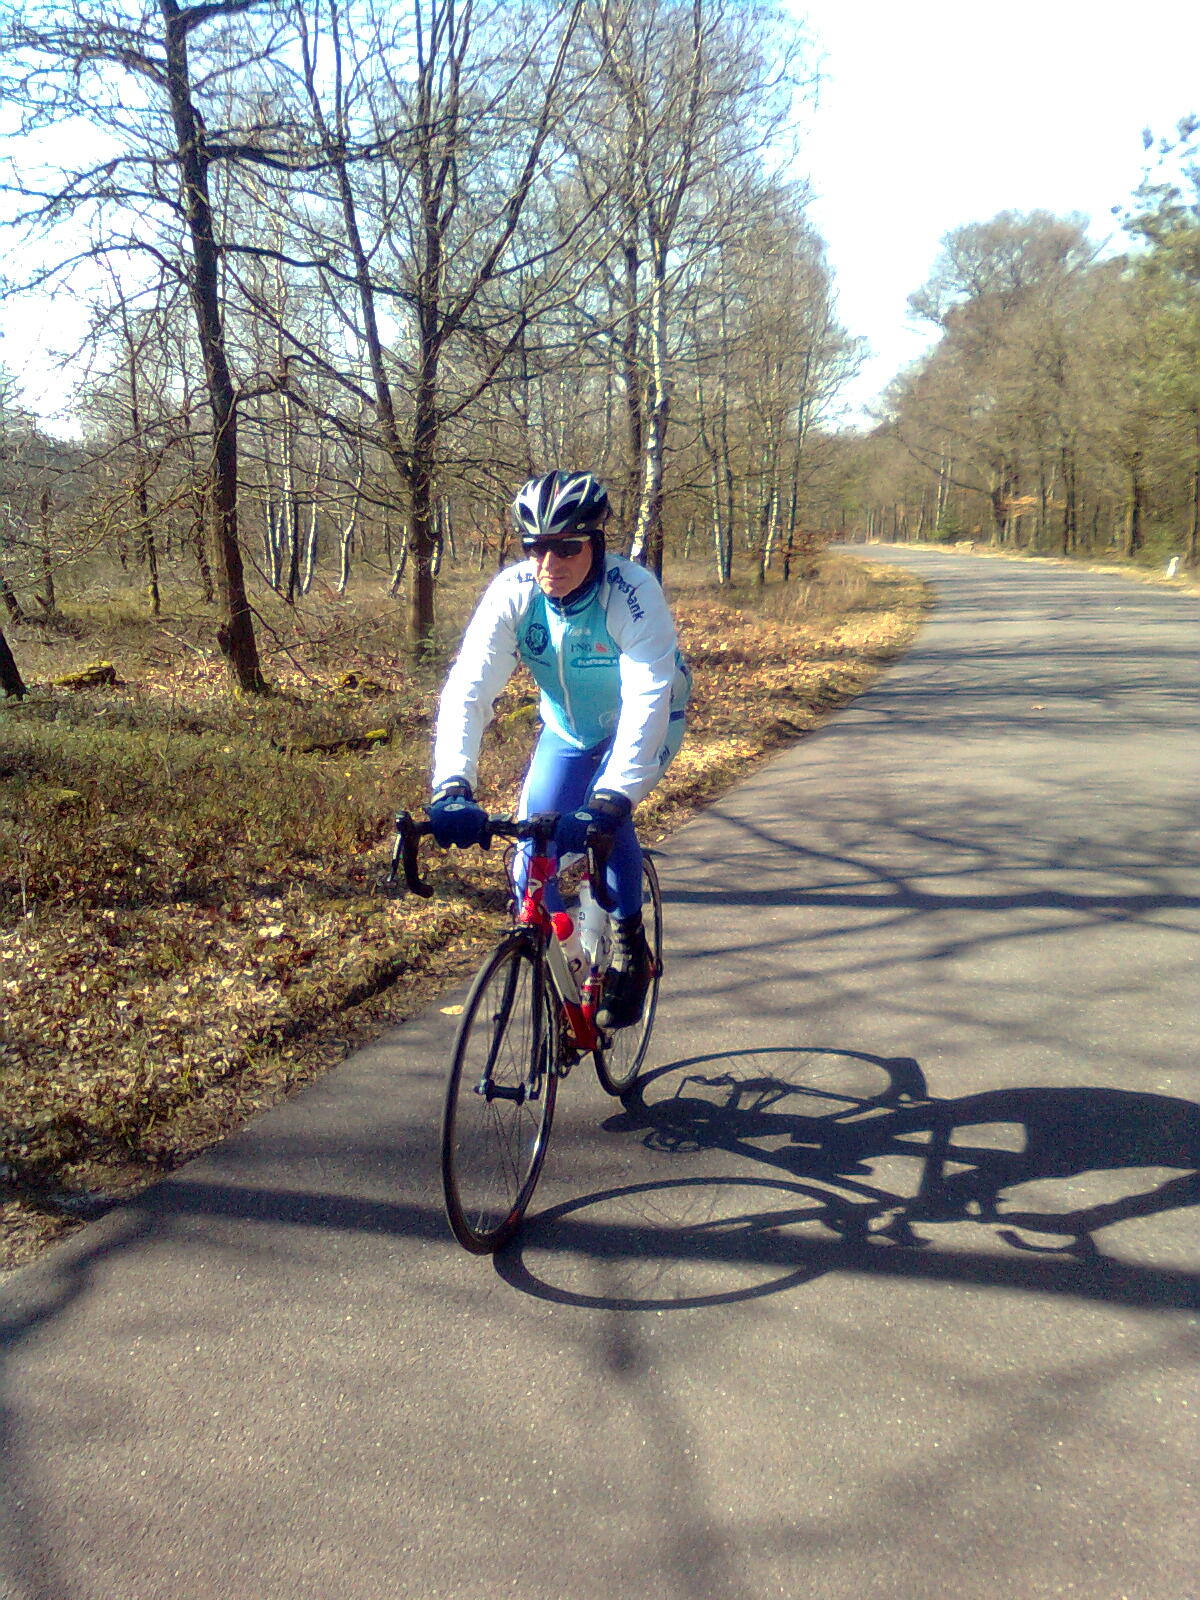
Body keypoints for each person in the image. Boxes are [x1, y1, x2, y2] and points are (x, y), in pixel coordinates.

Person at [427, 470, 690, 1029]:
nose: (549, 563)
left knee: (608, 820)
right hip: (567, 730)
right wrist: (452, 784)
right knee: (530, 867)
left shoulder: (632, 592)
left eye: (566, 548)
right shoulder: (514, 594)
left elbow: (647, 697)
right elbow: (470, 687)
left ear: (596, 543)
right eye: (537, 548)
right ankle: (565, 969)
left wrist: (614, 796)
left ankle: (629, 943)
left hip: (644, 722)